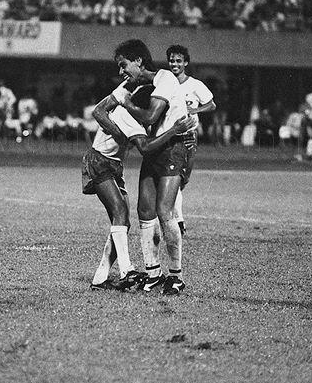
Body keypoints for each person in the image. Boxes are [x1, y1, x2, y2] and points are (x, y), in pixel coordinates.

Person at [86, 82, 196, 291]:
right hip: (100, 162)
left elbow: (102, 112)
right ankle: (127, 270)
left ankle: (100, 279)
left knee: (122, 222)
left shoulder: (124, 108)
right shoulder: (131, 119)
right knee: (120, 212)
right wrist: (175, 130)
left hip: (112, 165)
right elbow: (145, 147)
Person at [111, 39, 192, 295]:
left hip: (173, 148)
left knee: (164, 210)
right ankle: (154, 273)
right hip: (156, 149)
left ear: (138, 61)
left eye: (124, 66)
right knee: (144, 210)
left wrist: (124, 102)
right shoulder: (149, 86)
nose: (121, 72)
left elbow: (150, 117)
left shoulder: (166, 78)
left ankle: (176, 276)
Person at [166, 45, 216, 237]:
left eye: (178, 61)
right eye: (172, 60)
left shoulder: (195, 85)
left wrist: (193, 111)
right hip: (170, 136)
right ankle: (177, 219)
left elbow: (211, 104)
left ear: (185, 63)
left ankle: (175, 215)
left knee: (183, 180)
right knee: (173, 178)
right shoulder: (165, 83)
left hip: (188, 137)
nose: (175, 64)